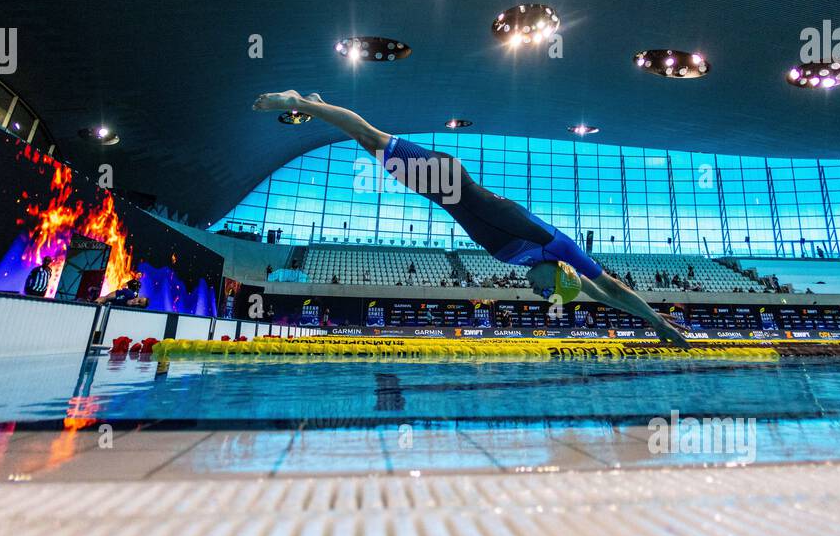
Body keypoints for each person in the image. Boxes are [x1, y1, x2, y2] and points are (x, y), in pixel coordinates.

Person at [253, 90, 688, 345]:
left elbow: (601, 297)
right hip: (446, 181)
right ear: (556, 276)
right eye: (544, 293)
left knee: (372, 142)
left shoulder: (538, 263)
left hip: (444, 190)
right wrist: (655, 320)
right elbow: (610, 287)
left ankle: (318, 102)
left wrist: (655, 325)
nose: (534, 294)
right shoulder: (558, 247)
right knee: (371, 139)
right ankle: (298, 102)